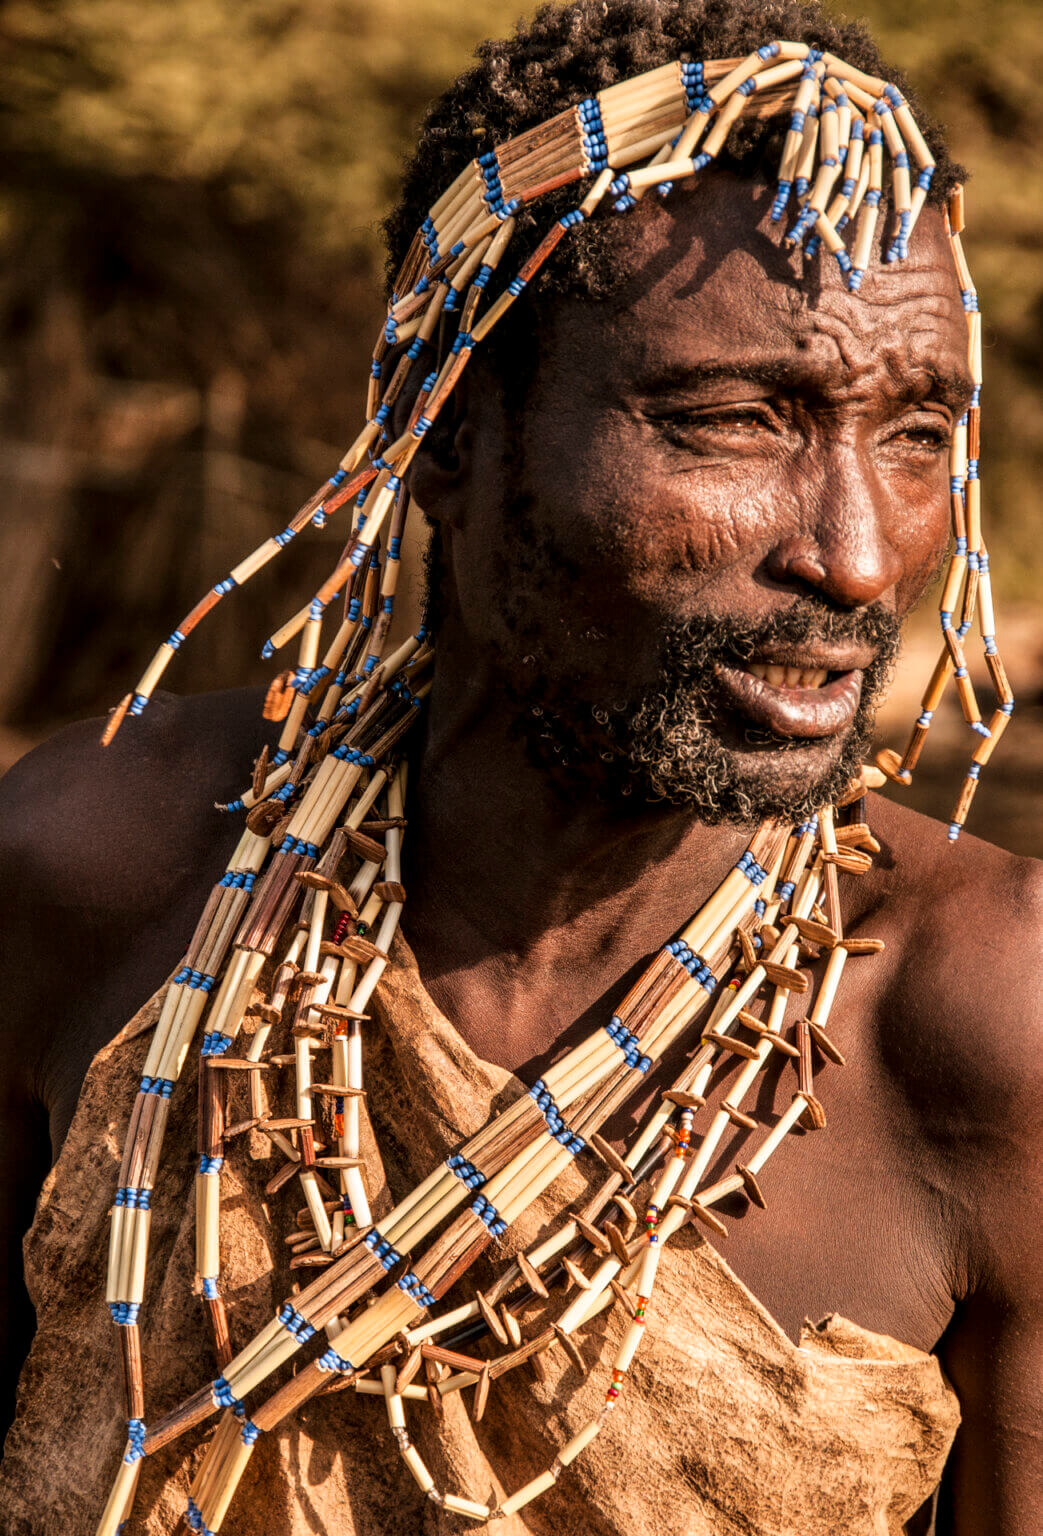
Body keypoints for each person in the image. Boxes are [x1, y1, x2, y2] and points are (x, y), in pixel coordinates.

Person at [0, 1, 1040, 1532]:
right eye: (735, 419)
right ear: (444, 424)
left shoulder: (984, 1026)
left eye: (914, 434)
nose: (860, 555)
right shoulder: (103, 868)